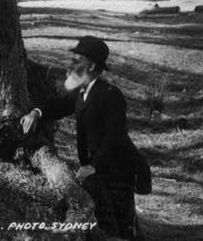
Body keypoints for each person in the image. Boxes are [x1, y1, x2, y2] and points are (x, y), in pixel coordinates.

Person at [21, 36, 142, 241]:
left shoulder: (111, 95)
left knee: (123, 227)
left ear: (92, 66)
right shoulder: (80, 92)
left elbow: (115, 137)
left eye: (77, 61)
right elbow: (58, 106)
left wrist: (93, 166)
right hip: (97, 170)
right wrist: (36, 113)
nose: (71, 65)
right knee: (104, 221)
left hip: (119, 170)